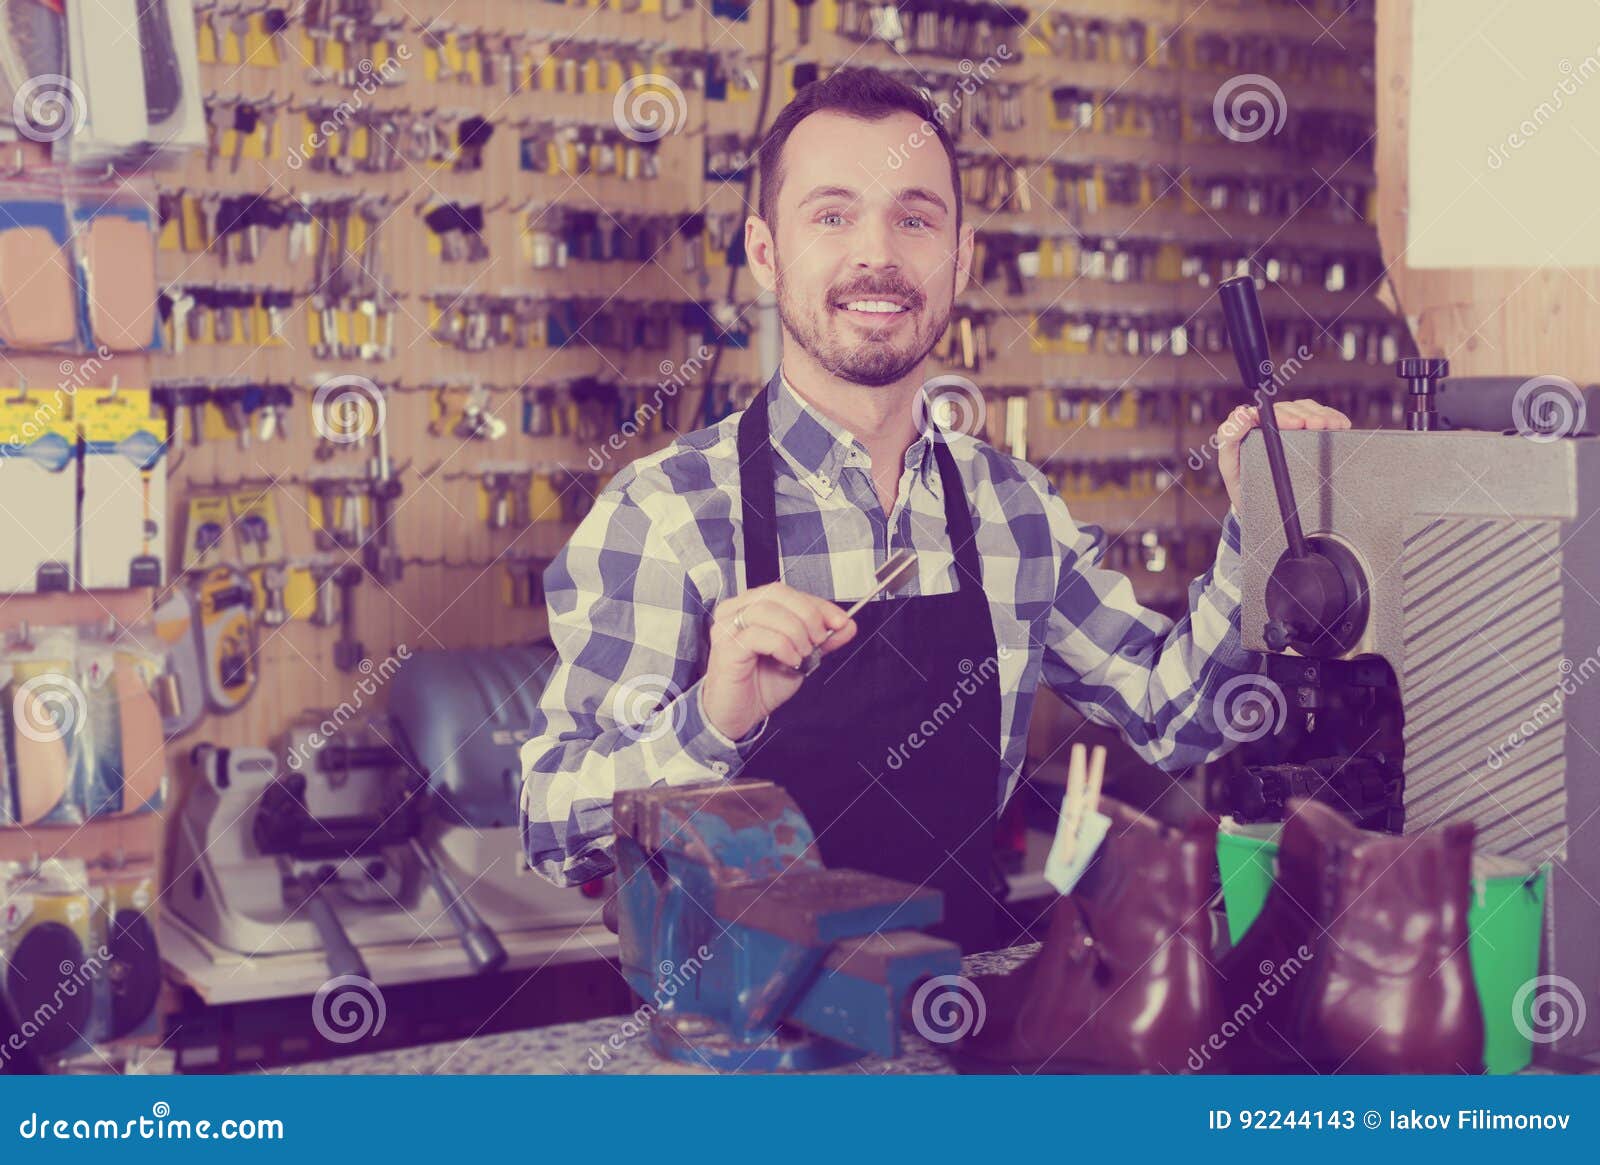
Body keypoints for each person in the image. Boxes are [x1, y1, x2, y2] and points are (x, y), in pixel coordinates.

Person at [518, 68, 1351, 951]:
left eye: (914, 219)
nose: (876, 255)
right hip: (738, 1026)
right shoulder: (665, 513)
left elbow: (1178, 717)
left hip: (955, 1007)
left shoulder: (1014, 511)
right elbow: (550, 826)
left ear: (960, 255)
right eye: (832, 216)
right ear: (765, 251)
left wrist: (1256, 522)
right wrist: (711, 719)